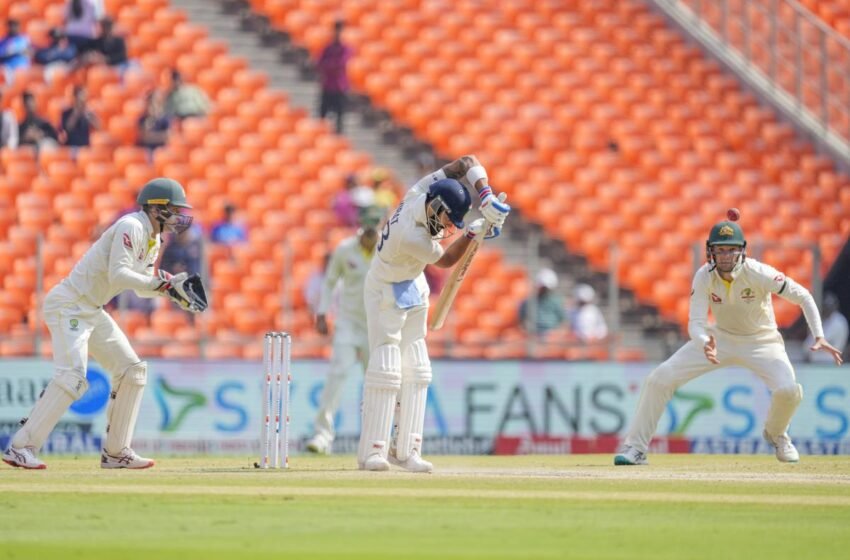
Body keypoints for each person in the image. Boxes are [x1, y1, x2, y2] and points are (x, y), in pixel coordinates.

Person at [2, 178, 207, 470]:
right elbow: (119, 276)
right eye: (174, 210)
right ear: (157, 208)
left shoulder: (153, 238)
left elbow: (139, 286)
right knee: (72, 377)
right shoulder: (131, 226)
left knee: (132, 371)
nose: (178, 217)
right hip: (70, 303)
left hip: (92, 308)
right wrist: (162, 285)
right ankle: (20, 448)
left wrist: (170, 288)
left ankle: (116, 452)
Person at [615, 216, 843, 467]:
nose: (724, 256)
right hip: (719, 339)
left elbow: (803, 296)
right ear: (710, 251)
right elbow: (696, 323)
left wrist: (819, 335)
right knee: (659, 378)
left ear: (741, 251)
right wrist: (704, 341)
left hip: (762, 342)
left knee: (789, 390)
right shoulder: (704, 276)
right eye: (719, 250)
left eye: (730, 250)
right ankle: (636, 449)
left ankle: (777, 434)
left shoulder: (758, 272)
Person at [358, 154, 510, 472]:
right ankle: (373, 450)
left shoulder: (422, 191)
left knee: (418, 369)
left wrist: (487, 197)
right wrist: (473, 233)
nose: (447, 227)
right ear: (437, 208)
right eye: (447, 221)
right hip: (385, 288)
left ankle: (407, 450)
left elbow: (465, 162)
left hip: (412, 285)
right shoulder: (411, 235)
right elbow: (444, 262)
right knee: (388, 367)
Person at [306, 206, 384, 454]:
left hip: (377, 327)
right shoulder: (345, 249)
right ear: (361, 226)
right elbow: (329, 282)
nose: (371, 234)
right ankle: (322, 435)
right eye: (368, 228)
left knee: (377, 384)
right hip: (348, 324)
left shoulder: (388, 250)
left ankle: (376, 439)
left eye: (375, 227)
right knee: (336, 375)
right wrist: (321, 312)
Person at [316, 19, 352, 133]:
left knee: (339, 117)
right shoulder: (328, 48)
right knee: (322, 115)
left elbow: (341, 64)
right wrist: (331, 66)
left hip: (339, 86)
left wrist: (329, 65)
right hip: (327, 85)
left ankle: (338, 138)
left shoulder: (345, 49)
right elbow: (320, 63)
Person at [518, 268, 566, 334]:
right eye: (542, 288)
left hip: (551, 336)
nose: (544, 290)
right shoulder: (529, 302)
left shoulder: (556, 302)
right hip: (534, 335)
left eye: (546, 288)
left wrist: (555, 333)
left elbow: (563, 321)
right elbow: (521, 320)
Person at [804, 292, 848, 364]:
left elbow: (822, 341)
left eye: (830, 306)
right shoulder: (826, 320)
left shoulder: (838, 320)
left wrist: (809, 349)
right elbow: (807, 345)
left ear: (835, 306)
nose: (827, 308)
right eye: (826, 306)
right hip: (819, 361)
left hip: (830, 361)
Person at [0, 19, 31, 83]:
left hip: (20, 66)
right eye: (10, 26)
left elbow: (28, 52)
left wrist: (7, 52)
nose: (11, 28)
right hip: (6, 66)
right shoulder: (3, 40)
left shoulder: (24, 39)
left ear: (18, 27)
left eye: (14, 26)